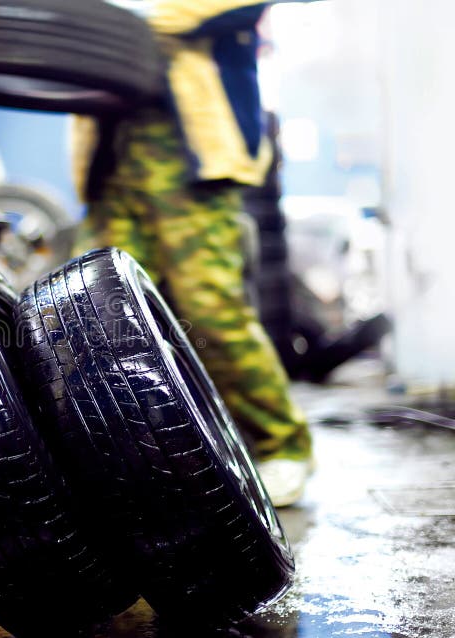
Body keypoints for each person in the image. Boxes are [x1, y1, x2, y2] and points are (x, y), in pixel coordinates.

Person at [71, 0, 312, 506]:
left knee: (209, 310)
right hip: (112, 161)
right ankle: (139, 461)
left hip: (192, 162)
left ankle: (282, 444)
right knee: (98, 319)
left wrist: (113, 17)